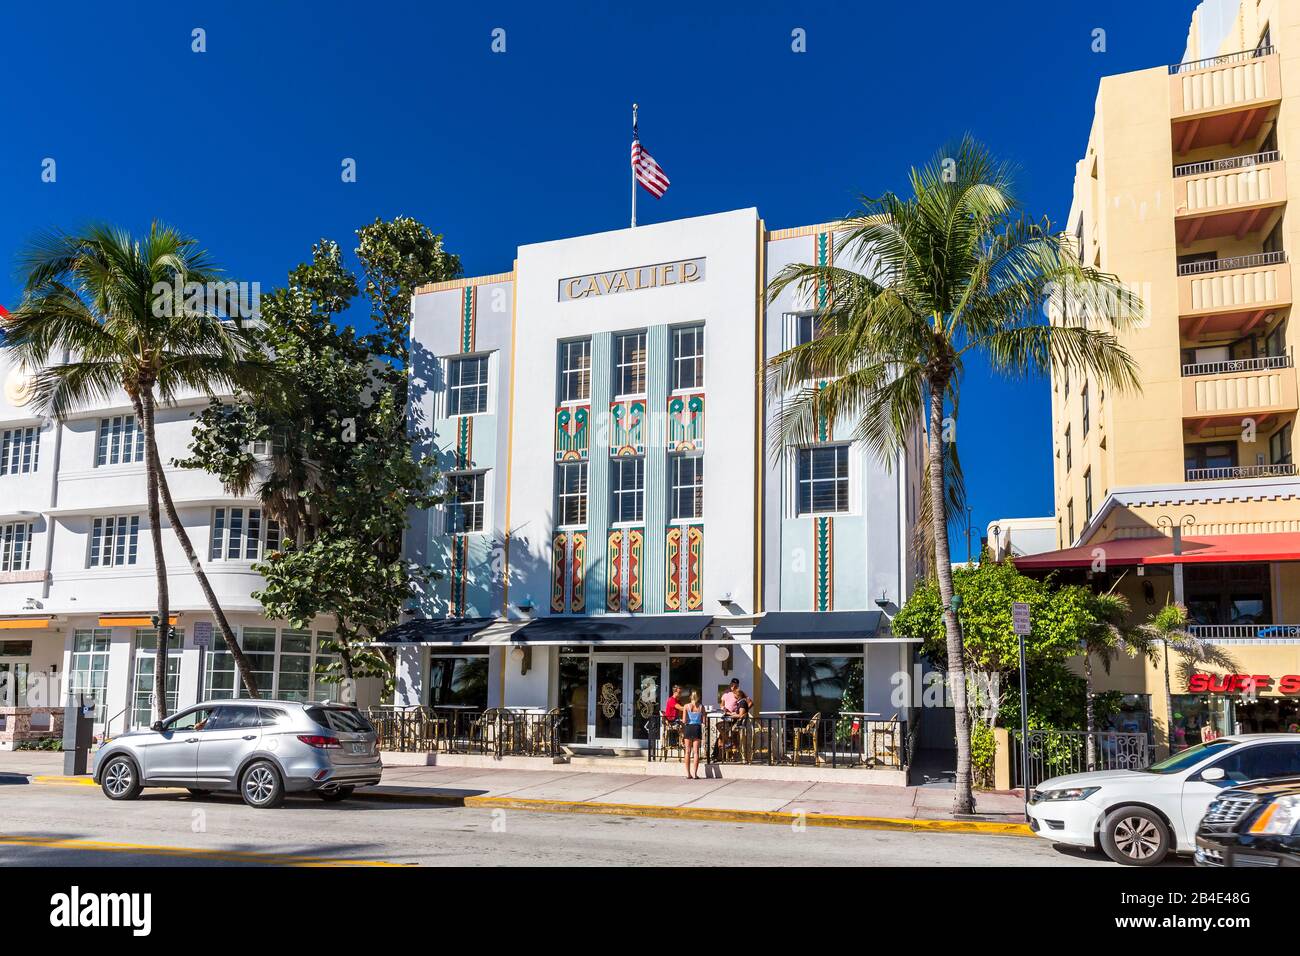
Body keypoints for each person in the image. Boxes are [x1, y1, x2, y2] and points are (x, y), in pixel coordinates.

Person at [682, 690, 705, 779]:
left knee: (687, 751)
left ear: (690, 697)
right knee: (696, 752)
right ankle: (695, 774)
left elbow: (684, 720)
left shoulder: (686, 706)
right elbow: (704, 720)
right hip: (697, 728)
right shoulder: (701, 707)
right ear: (698, 697)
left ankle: (688, 774)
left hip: (688, 728)